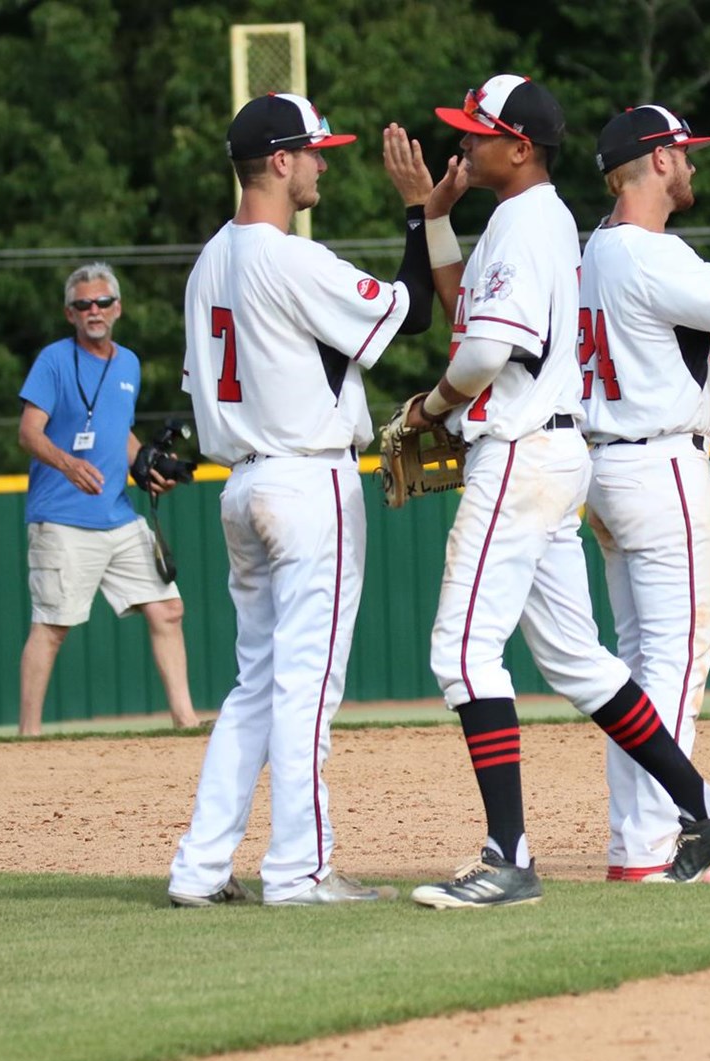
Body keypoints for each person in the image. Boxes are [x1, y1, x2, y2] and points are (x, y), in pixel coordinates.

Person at [402, 74, 710, 908]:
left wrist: (432, 407)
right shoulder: (526, 220)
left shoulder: (536, 224)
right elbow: (463, 309)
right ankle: (702, 808)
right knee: (576, 659)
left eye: (476, 134)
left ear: (519, 146)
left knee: (460, 653)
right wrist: (436, 214)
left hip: (521, 450)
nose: (463, 144)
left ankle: (507, 857)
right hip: (555, 452)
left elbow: (483, 353)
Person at [166, 93, 439, 907]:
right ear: (280, 161)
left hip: (241, 483)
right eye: (316, 151)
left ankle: (199, 868)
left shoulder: (208, 260)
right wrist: (422, 213)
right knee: (305, 685)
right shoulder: (289, 257)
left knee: (256, 683)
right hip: (305, 480)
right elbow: (414, 314)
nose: (324, 163)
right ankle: (299, 870)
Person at [580, 106, 710, 883]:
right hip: (661, 466)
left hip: (602, 466)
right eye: (685, 153)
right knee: (674, 666)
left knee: (636, 671)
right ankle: (660, 844)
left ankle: (633, 845)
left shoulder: (591, 251)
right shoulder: (648, 255)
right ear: (657, 161)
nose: (694, 165)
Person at [16, 263, 197, 737]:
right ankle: (27, 736)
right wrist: (67, 463)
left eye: (101, 302)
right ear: (69, 313)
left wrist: (149, 469)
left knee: (167, 609)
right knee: (53, 625)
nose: (93, 311)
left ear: (117, 308)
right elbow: (28, 433)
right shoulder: (54, 360)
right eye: (82, 304)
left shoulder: (129, 363)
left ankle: (185, 721)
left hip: (117, 514)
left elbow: (120, 433)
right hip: (62, 515)